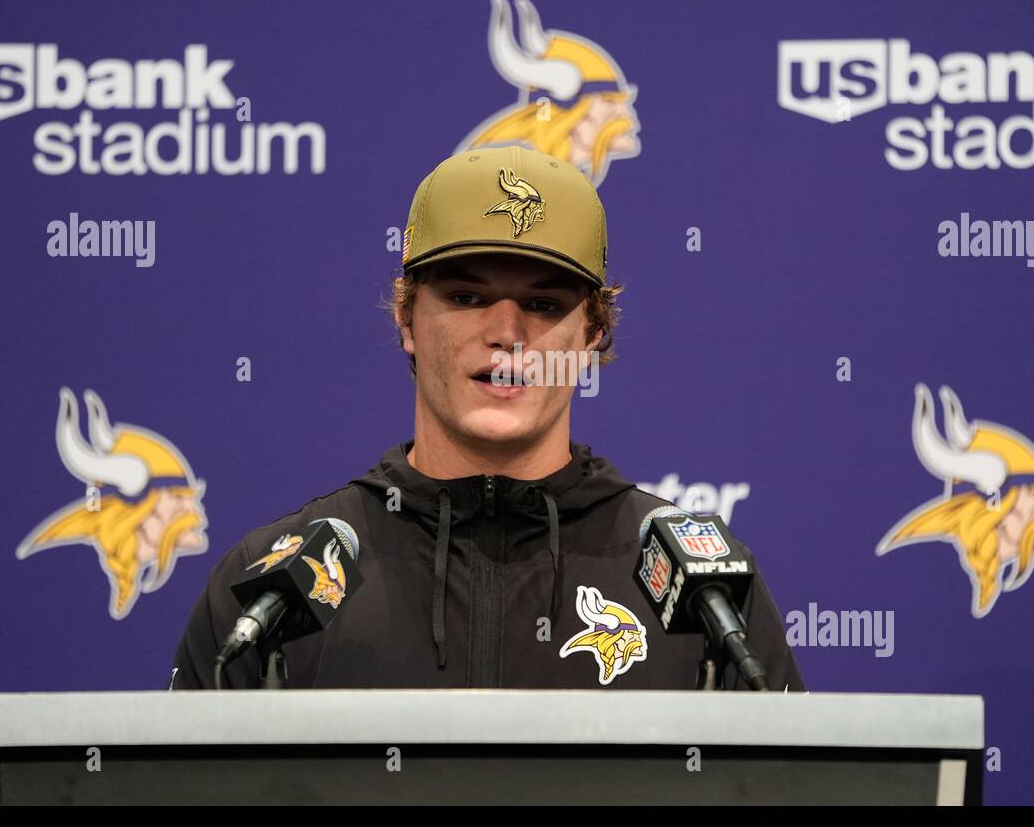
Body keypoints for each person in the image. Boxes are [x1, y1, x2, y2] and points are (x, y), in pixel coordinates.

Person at [171, 144, 805, 691]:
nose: (506, 333)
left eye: (544, 302)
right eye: (467, 297)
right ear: (406, 319)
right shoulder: (270, 590)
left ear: (592, 336)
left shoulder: (708, 596)